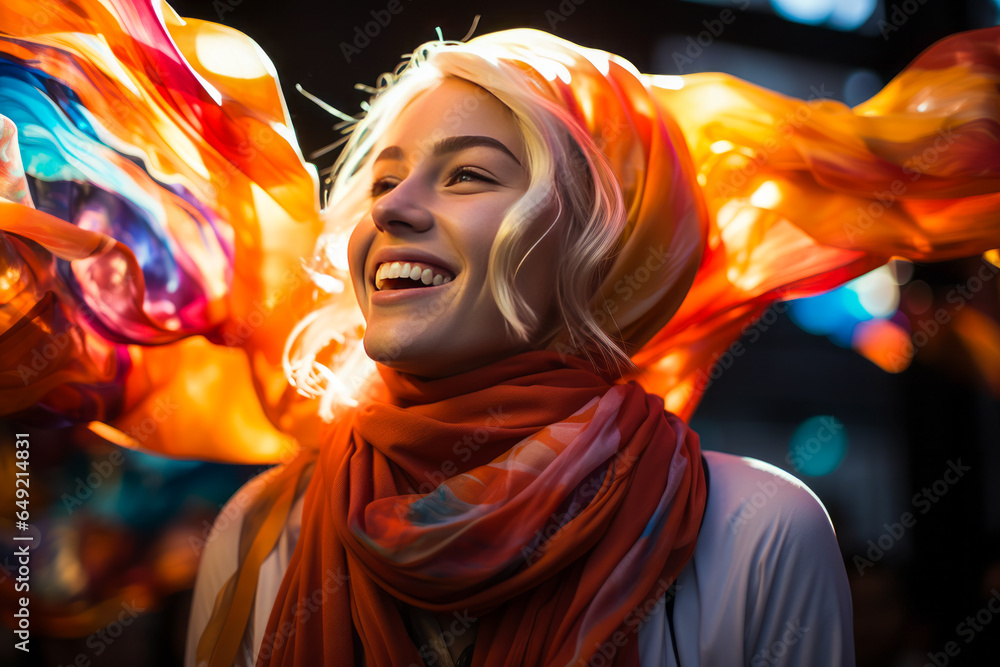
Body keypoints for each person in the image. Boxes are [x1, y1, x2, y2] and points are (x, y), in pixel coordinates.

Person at [2, 2, 999, 665]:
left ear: (600, 241)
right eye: (381, 179)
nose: (392, 209)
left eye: (469, 173)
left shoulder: (753, 534)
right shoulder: (262, 536)